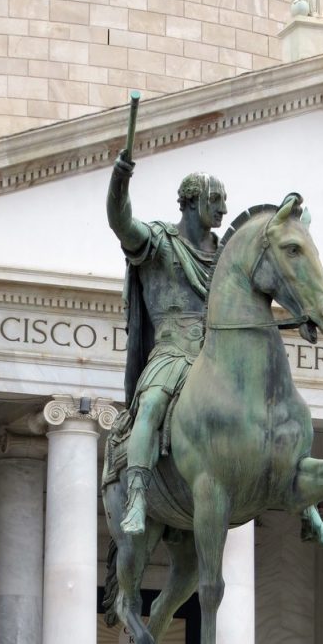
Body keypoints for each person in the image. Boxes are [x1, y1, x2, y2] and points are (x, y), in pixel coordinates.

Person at [107, 152, 227, 535]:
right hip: (171, 350)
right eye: (215, 200)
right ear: (191, 202)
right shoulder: (160, 242)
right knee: (152, 404)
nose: (223, 210)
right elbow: (121, 222)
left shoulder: (225, 255)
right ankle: (137, 495)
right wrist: (120, 179)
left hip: (214, 355)